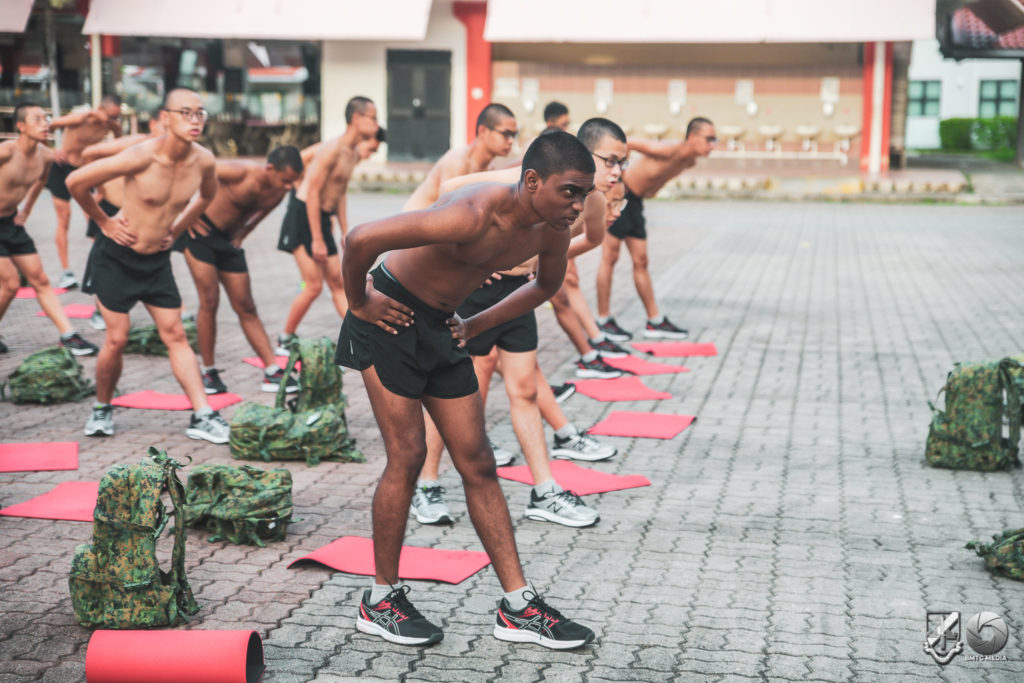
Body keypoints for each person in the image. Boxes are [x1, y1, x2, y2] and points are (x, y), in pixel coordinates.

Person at [336, 131, 597, 649]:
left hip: (439, 325)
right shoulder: (473, 214)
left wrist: (476, 325)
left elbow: (545, 286)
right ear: (531, 180)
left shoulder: (550, 230)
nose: (577, 205)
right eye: (569, 191)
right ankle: (380, 599)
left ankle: (518, 606)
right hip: (386, 318)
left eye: (583, 194)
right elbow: (361, 238)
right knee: (407, 456)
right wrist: (361, 301)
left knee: (477, 461)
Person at [410, 119, 630, 528]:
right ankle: (426, 485)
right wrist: (475, 253)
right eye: (612, 161)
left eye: (623, 163)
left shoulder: (594, 201)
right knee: (454, 393)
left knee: (525, 389)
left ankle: (544, 491)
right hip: (474, 293)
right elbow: (448, 191)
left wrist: (542, 263)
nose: (619, 171)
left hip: (519, 297)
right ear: (583, 154)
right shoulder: (522, 177)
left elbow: (594, 239)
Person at [66, 88, 229, 444]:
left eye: (200, 113)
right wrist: (104, 222)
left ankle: (203, 414)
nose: (194, 119)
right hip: (116, 259)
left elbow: (207, 195)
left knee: (175, 335)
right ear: (166, 118)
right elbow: (75, 181)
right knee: (117, 338)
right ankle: (102, 407)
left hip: (156, 261)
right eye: (185, 112)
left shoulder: (203, 161)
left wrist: (179, 227)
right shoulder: (140, 157)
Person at [174, 147, 305, 395]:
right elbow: (187, 169)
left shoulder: (279, 189)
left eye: (293, 182)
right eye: (285, 180)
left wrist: (245, 232)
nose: (289, 187)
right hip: (199, 236)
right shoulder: (239, 171)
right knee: (209, 301)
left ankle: (271, 370)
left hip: (227, 240)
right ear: (269, 169)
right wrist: (184, 212)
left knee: (246, 305)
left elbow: (262, 212)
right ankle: (209, 372)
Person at [596, 116, 717, 341]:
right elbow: (626, 142)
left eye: (715, 140)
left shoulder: (689, 160)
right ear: (692, 137)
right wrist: (617, 179)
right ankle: (603, 320)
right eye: (709, 139)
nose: (713, 145)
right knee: (609, 258)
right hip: (623, 196)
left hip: (636, 202)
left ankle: (654, 321)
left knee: (641, 261)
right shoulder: (668, 149)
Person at [274, 97, 379, 354]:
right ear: (357, 119)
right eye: (373, 118)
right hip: (302, 217)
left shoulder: (352, 153)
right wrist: (317, 239)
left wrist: (344, 230)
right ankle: (285, 338)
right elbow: (313, 192)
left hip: (321, 219)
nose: (376, 124)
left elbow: (339, 193)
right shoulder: (331, 149)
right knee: (312, 286)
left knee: (337, 283)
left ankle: (357, 338)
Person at [0, 103, 98, 356]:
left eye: (46, 118)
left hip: (10, 222)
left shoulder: (46, 156)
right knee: (10, 284)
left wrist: (27, 211)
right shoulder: (7, 151)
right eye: (37, 119)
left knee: (41, 280)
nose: (45, 124)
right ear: (20, 126)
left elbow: (42, 181)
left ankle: (69, 335)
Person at [79, 110, 166, 331]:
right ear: (153, 124)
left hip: (135, 211)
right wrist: (96, 186)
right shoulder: (137, 142)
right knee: (101, 259)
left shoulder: (169, 153)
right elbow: (90, 151)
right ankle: (99, 310)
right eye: (164, 126)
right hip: (110, 208)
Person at [46, 94, 123, 289]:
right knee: (64, 218)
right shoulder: (81, 117)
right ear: (100, 109)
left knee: (96, 219)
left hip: (83, 171)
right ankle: (66, 272)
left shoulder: (111, 125)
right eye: (111, 116)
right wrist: (50, 150)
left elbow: (121, 146)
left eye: (116, 117)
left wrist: (116, 128)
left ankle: (100, 268)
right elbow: (51, 125)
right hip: (61, 167)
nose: (112, 120)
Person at [402, 103, 517, 212]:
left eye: (514, 135)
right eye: (506, 134)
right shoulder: (457, 162)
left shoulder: (491, 168)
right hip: (412, 228)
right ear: (483, 131)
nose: (511, 141)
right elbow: (445, 214)